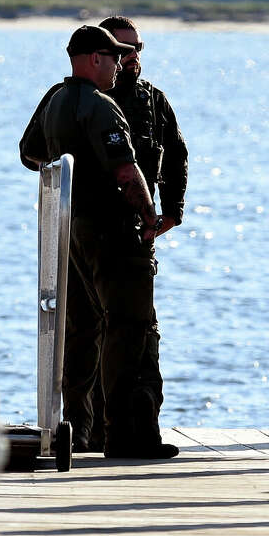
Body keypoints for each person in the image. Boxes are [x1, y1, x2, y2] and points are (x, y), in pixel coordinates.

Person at [19, 24, 179, 460]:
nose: (120, 64)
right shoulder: (100, 106)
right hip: (113, 233)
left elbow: (30, 153)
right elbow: (126, 172)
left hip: (73, 232)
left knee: (88, 328)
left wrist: (70, 167)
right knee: (130, 328)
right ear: (93, 59)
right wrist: (150, 217)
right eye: (113, 57)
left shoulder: (55, 102)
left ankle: (86, 427)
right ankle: (123, 435)